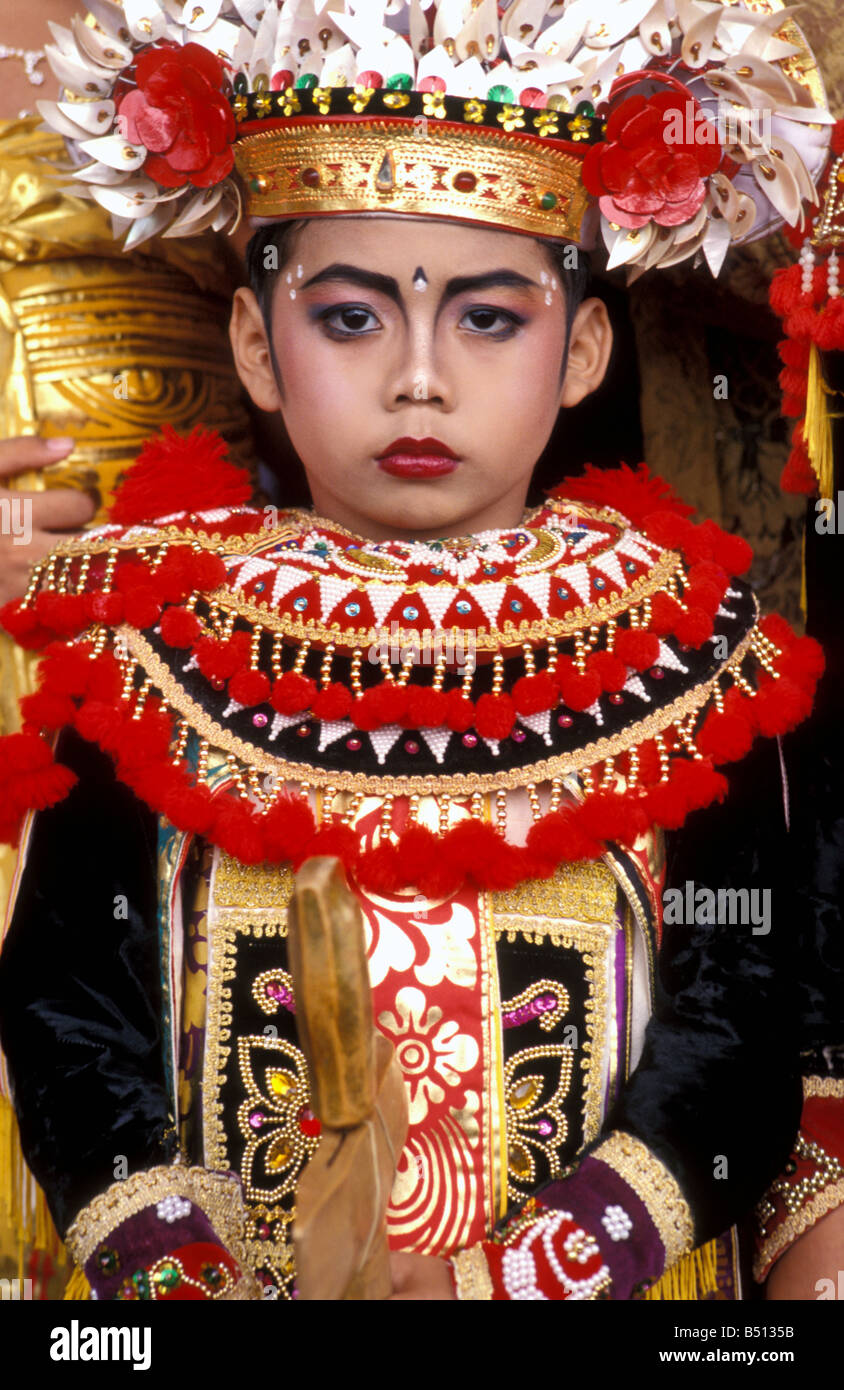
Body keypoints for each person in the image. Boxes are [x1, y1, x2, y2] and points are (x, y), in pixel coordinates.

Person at [0, 0, 838, 1302]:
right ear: (252, 347)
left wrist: (507, 1279)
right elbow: (69, 1006)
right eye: (349, 319)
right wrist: (178, 1280)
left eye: (490, 320)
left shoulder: (697, 662)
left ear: (585, 351)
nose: (419, 379)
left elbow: (737, 1027)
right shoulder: (148, 647)